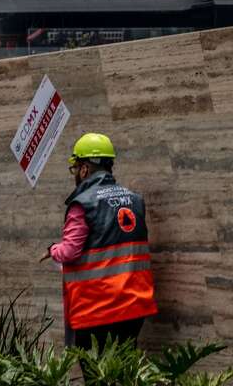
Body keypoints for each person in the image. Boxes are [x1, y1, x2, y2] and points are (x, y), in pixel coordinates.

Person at [40, 132, 157, 349]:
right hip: (134, 305)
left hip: (97, 309)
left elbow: (70, 251)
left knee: (98, 376)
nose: (75, 174)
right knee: (124, 372)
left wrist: (53, 250)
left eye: (75, 168)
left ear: (84, 169)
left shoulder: (82, 204)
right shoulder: (135, 200)